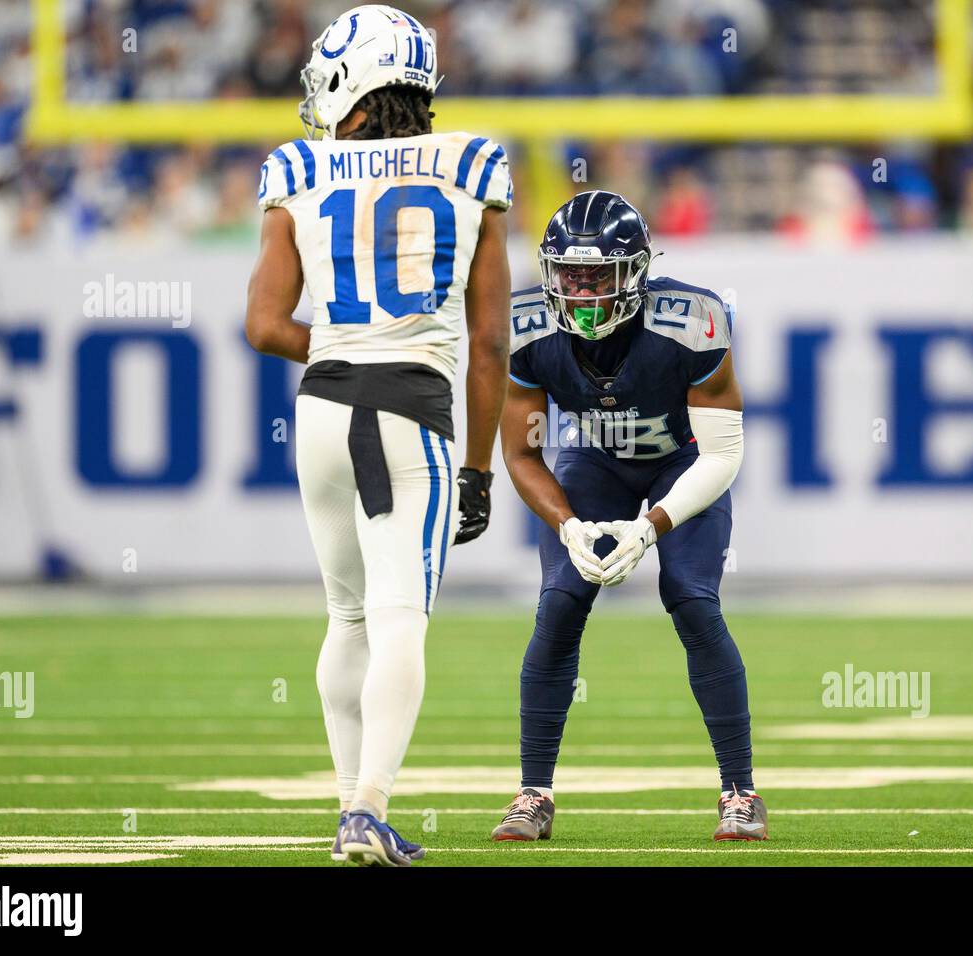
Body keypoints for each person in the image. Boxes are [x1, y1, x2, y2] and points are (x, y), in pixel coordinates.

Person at [244, 4, 511, 866]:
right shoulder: (471, 163)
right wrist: (478, 468)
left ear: (354, 82)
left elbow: (262, 323)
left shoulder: (298, 170)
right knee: (400, 618)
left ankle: (346, 804)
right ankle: (368, 808)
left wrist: (336, 345)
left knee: (346, 614)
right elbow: (492, 341)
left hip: (321, 409)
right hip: (412, 410)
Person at [493, 190, 765, 843]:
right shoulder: (523, 325)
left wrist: (653, 526)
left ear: (637, 272)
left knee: (692, 599)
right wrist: (566, 523)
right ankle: (534, 793)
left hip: (684, 459)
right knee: (560, 603)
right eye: (569, 276)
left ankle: (740, 791)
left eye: (599, 276)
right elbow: (522, 452)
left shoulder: (690, 318)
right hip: (593, 461)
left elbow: (725, 453)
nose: (582, 292)